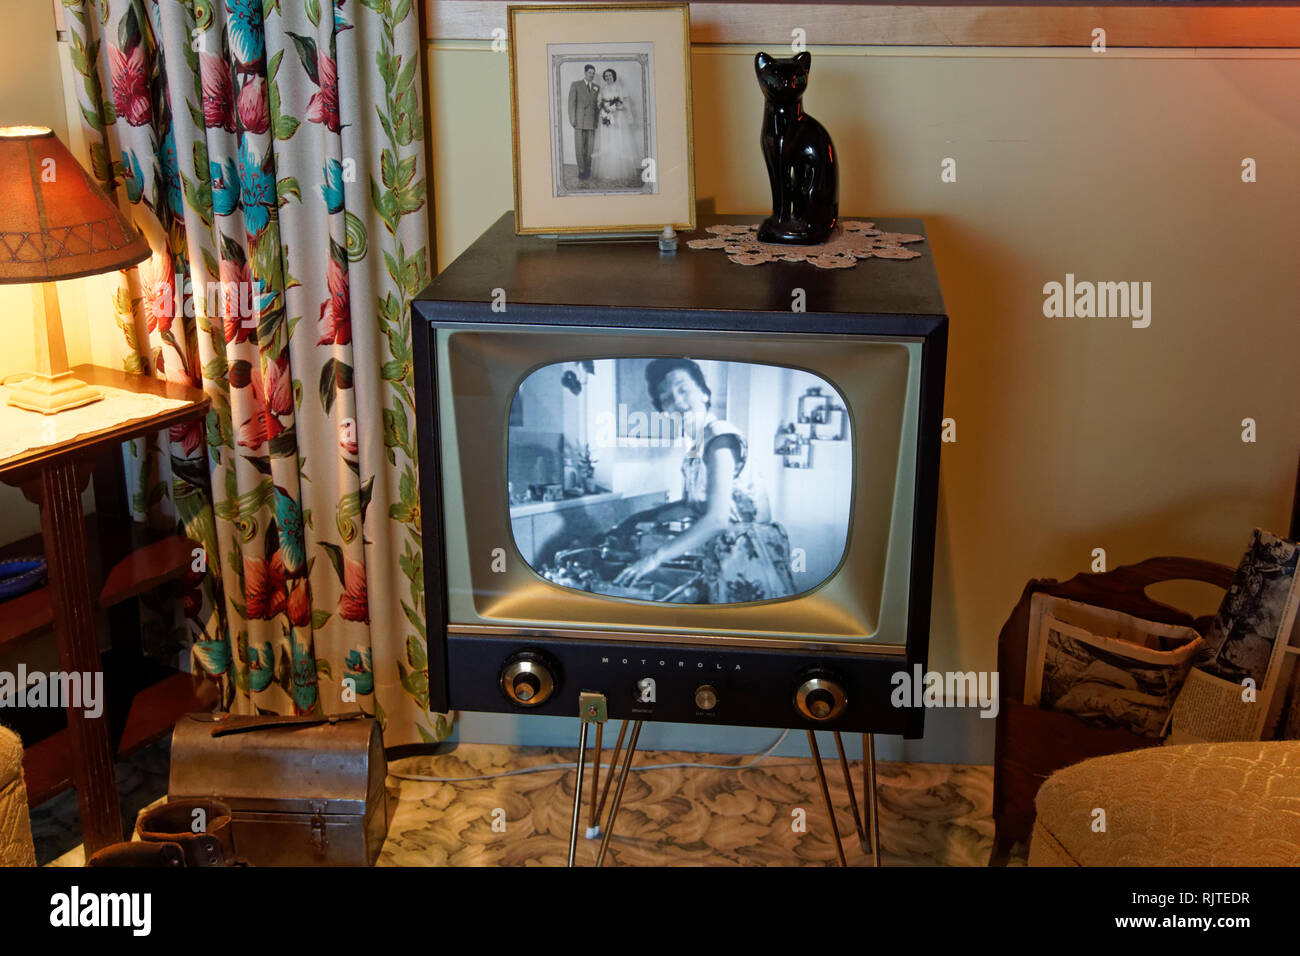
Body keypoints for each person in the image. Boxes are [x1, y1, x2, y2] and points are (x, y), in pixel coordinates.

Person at [610, 359, 797, 603]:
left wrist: (653, 558)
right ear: (664, 411)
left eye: (683, 389)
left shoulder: (720, 437)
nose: (677, 402)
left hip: (752, 558)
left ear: (705, 394)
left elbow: (717, 519)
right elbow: (692, 505)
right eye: (666, 398)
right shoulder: (697, 446)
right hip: (726, 558)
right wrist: (639, 518)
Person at [591, 68, 639, 186]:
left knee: (618, 140)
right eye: (606, 76)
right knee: (607, 141)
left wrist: (615, 108)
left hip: (618, 119)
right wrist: (604, 108)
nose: (608, 77)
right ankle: (606, 171)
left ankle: (618, 172)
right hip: (606, 118)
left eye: (610, 75)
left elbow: (624, 105)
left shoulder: (620, 89)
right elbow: (599, 103)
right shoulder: (602, 89)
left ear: (614, 76)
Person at [566, 64, 600, 182]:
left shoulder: (596, 87)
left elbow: (597, 107)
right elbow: (571, 103)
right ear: (585, 73)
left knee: (590, 147)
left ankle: (588, 168)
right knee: (580, 146)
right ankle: (581, 170)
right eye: (590, 72)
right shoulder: (576, 85)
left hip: (591, 121)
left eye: (593, 73)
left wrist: (597, 120)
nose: (592, 75)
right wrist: (572, 119)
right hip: (579, 120)